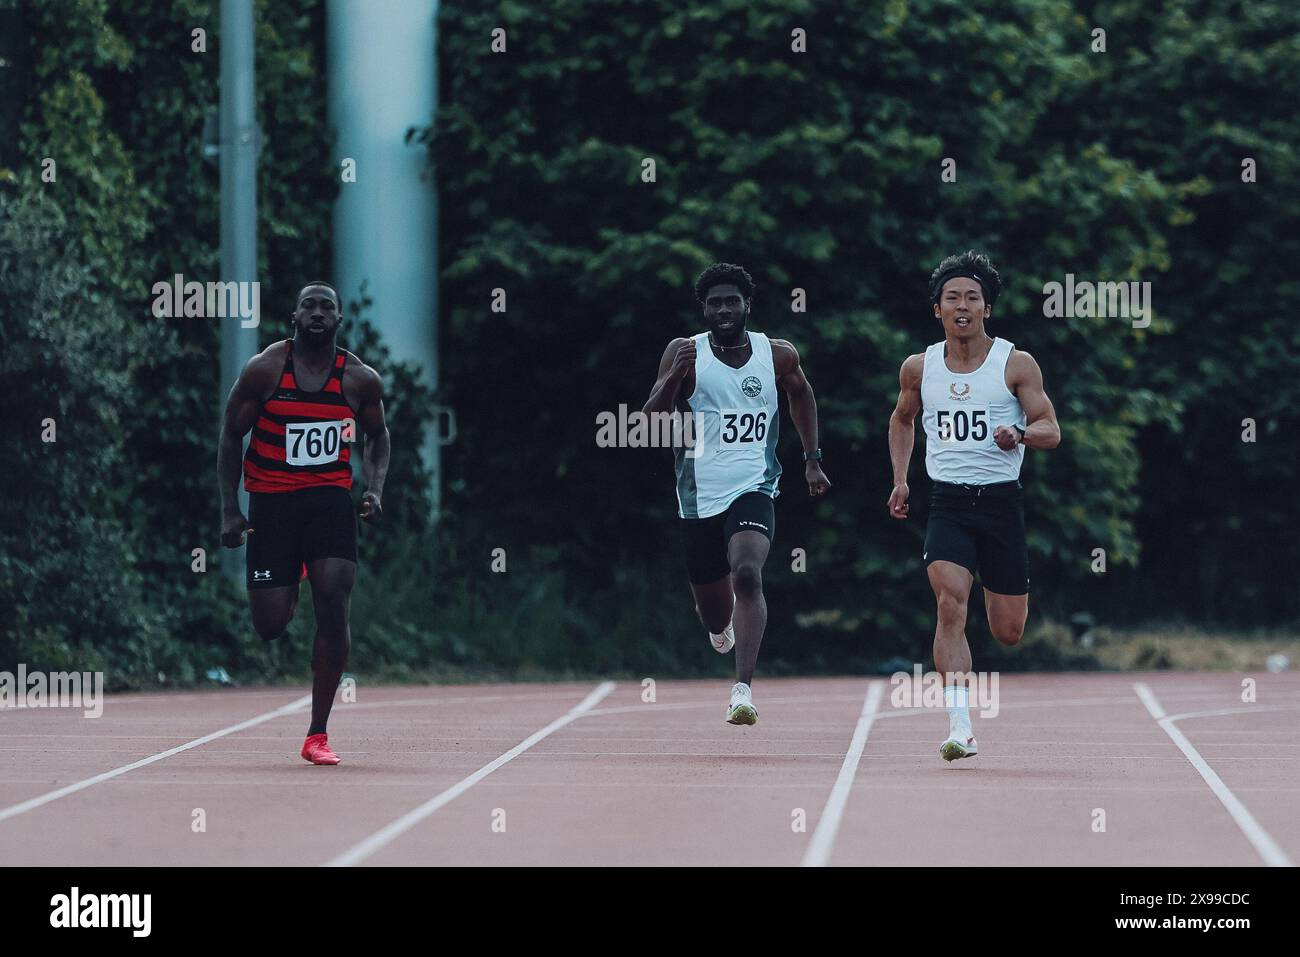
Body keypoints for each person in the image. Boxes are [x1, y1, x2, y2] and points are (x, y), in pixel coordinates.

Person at [887, 251, 1060, 761]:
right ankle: (960, 726)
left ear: (987, 308)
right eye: (952, 298)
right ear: (936, 310)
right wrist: (901, 480)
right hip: (949, 503)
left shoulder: (1015, 363)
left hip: (1002, 506)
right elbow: (902, 420)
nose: (962, 306)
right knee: (948, 604)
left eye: (972, 298)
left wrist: (1022, 434)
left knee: (1008, 632)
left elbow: (1052, 427)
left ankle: (990, 615)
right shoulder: (919, 367)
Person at [643, 263, 830, 725]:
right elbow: (649, 420)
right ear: (703, 308)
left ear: (748, 304)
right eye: (715, 302)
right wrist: (672, 379)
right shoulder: (684, 351)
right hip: (698, 496)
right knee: (713, 615)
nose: (724, 309)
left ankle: (742, 690)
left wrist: (812, 459)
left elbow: (801, 395)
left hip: (754, 485)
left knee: (747, 572)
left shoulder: (777, 354)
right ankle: (721, 629)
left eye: (732, 301)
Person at [218, 281, 390, 765]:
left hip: (329, 501)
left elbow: (377, 437)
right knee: (269, 624)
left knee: (334, 598)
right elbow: (231, 437)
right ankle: (290, 572)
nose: (318, 313)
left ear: (338, 320)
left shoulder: (359, 379)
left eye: (327, 307)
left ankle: (318, 732)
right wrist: (231, 510)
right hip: (271, 503)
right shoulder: (266, 370)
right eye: (309, 305)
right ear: (294, 317)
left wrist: (373, 489)